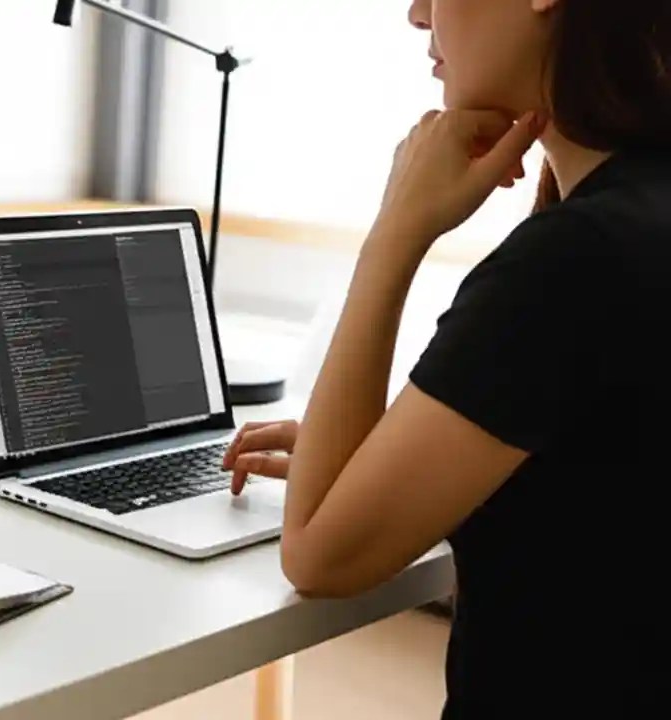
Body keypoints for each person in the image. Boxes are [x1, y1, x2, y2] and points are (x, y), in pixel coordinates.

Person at [221, 1, 667, 717]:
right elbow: (604, 483)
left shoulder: (576, 259)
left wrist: (396, 230)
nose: (417, 14)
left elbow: (318, 558)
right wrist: (370, 465)